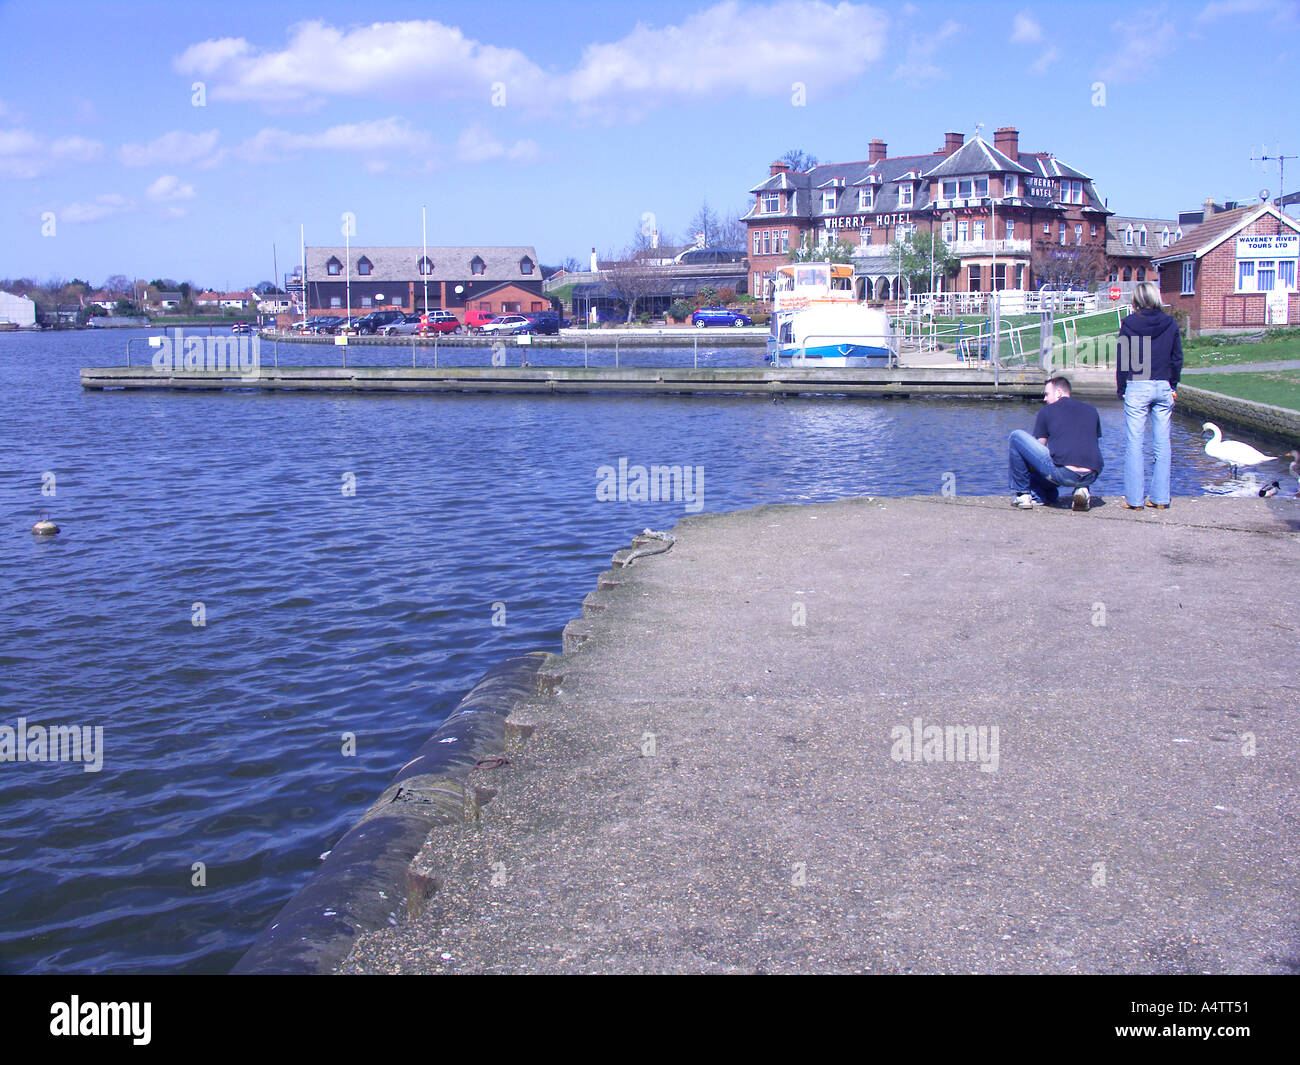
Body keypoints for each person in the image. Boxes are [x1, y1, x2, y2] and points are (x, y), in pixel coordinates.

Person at [1117, 281, 1182, 509]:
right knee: (1162, 443)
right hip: (1163, 384)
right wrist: (1172, 384)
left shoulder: (1129, 324)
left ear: (1136, 301)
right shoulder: (1171, 323)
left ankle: (1135, 500)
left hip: (1137, 383)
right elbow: (1177, 358)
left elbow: (1123, 359)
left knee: (1135, 443)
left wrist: (1121, 387)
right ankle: (1161, 499)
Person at [1008, 376, 1103, 511]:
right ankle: (1081, 489)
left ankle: (1023, 494)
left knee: (1016, 437)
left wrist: (1028, 476)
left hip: (1064, 474)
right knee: (1076, 454)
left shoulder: (1046, 411)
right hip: (1091, 475)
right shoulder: (1091, 410)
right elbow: (1091, 444)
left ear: (1058, 393)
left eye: (1047, 394)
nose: (1045, 399)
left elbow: (1038, 451)